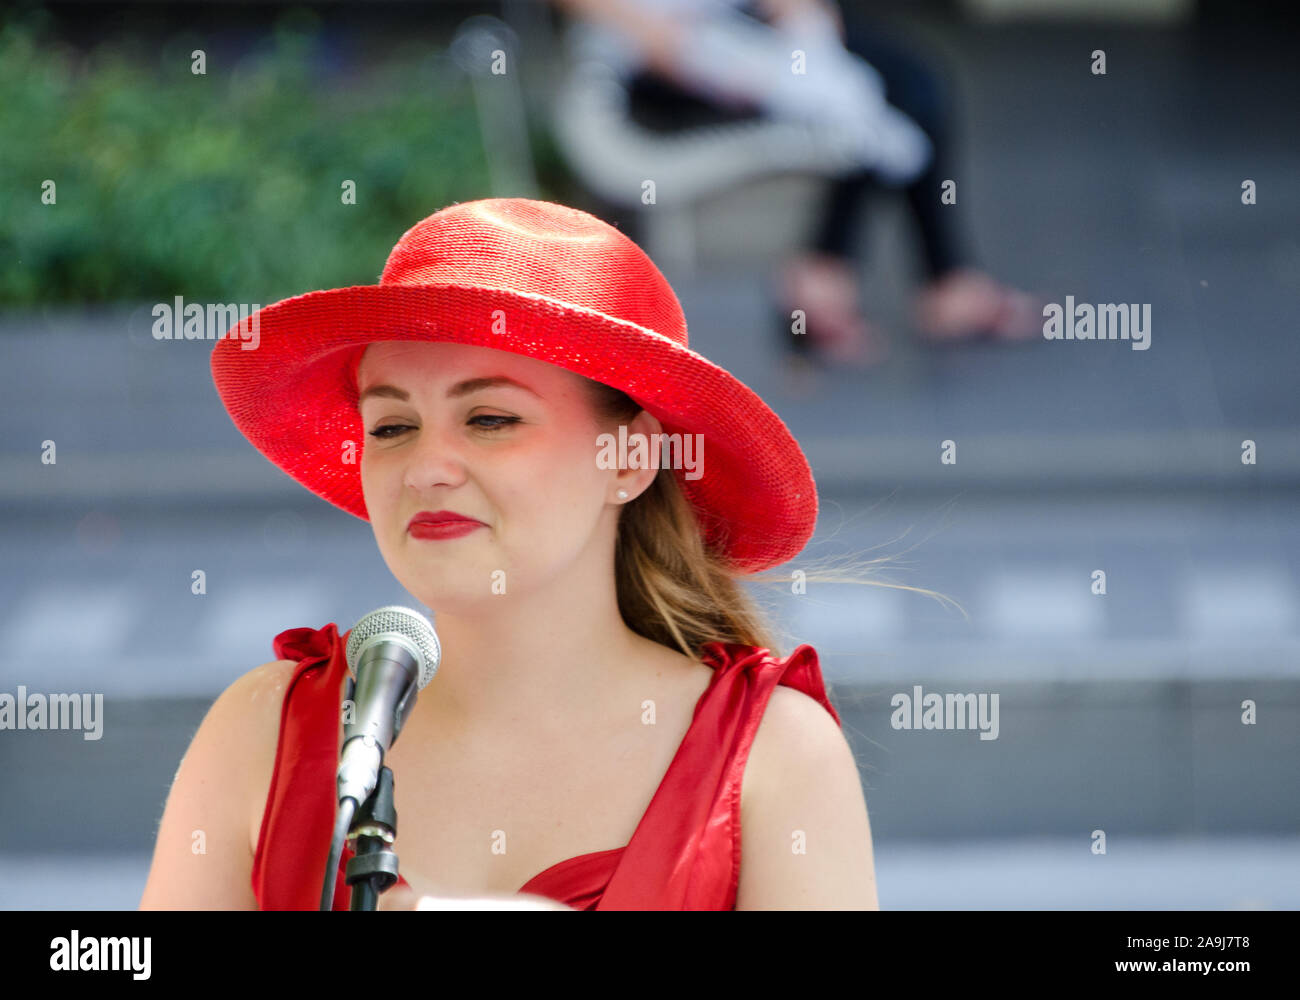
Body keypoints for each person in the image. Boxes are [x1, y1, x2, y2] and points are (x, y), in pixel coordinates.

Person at [137, 197, 879, 911]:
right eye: (392, 426)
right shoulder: (264, 729)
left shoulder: (774, 758)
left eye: (489, 418)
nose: (427, 468)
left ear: (629, 457)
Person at [550, 0, 1041, 366]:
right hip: (654, 56)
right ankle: (893, 278)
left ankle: (834, 272)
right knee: (871, 107)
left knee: (906, 84)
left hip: (738, 29)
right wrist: (697, 52)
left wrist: (807, 32)